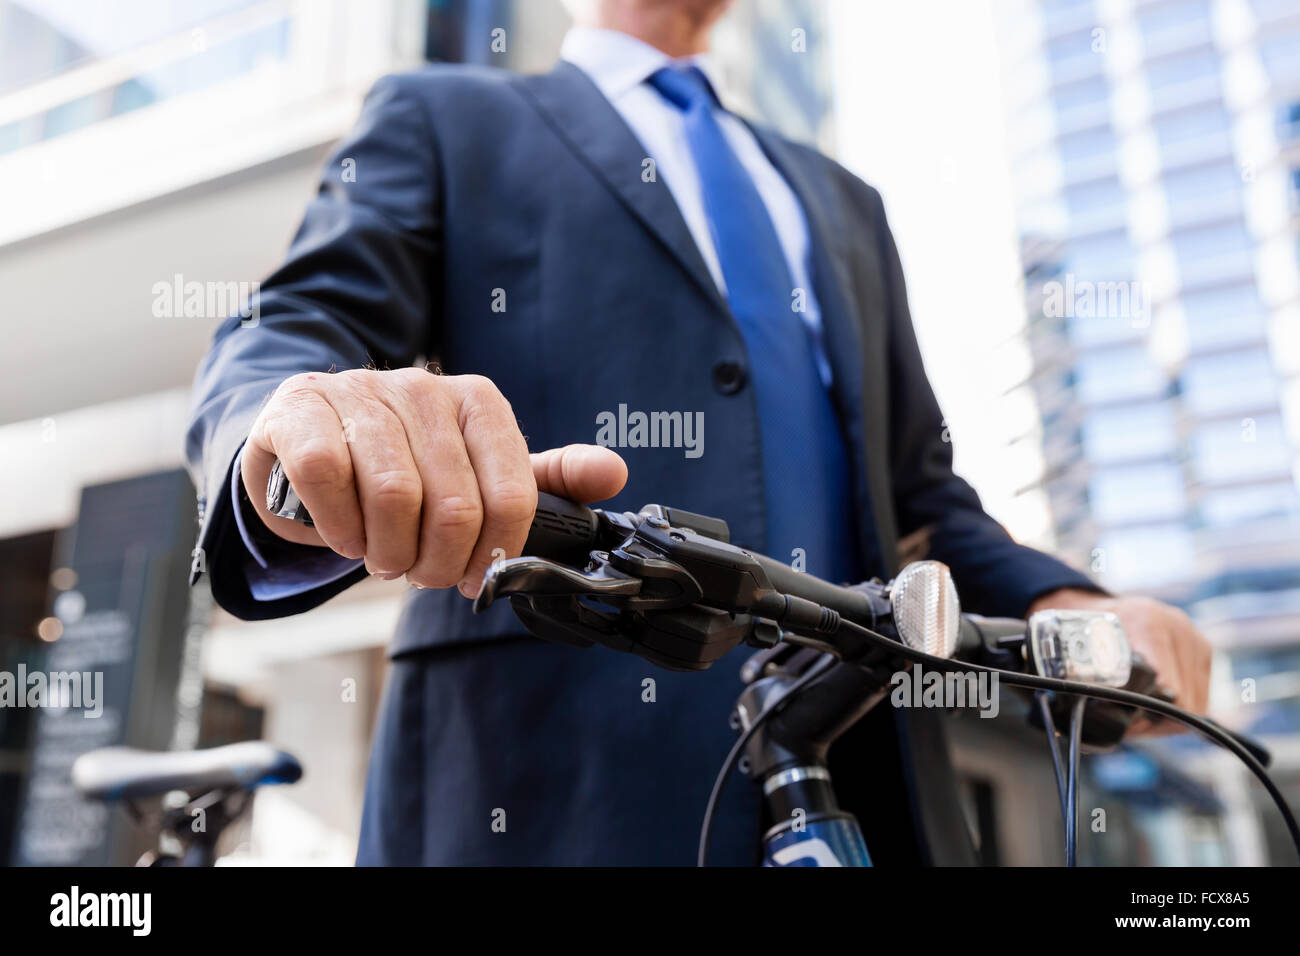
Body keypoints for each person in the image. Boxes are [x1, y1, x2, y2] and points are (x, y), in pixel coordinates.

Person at [185, 0, 1212, 865]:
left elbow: (921, 493)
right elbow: (296, 322)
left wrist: (1065, 597)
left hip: (856, 778)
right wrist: (302, 419)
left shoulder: (846, 203)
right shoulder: (448, 112)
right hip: (553, 782)